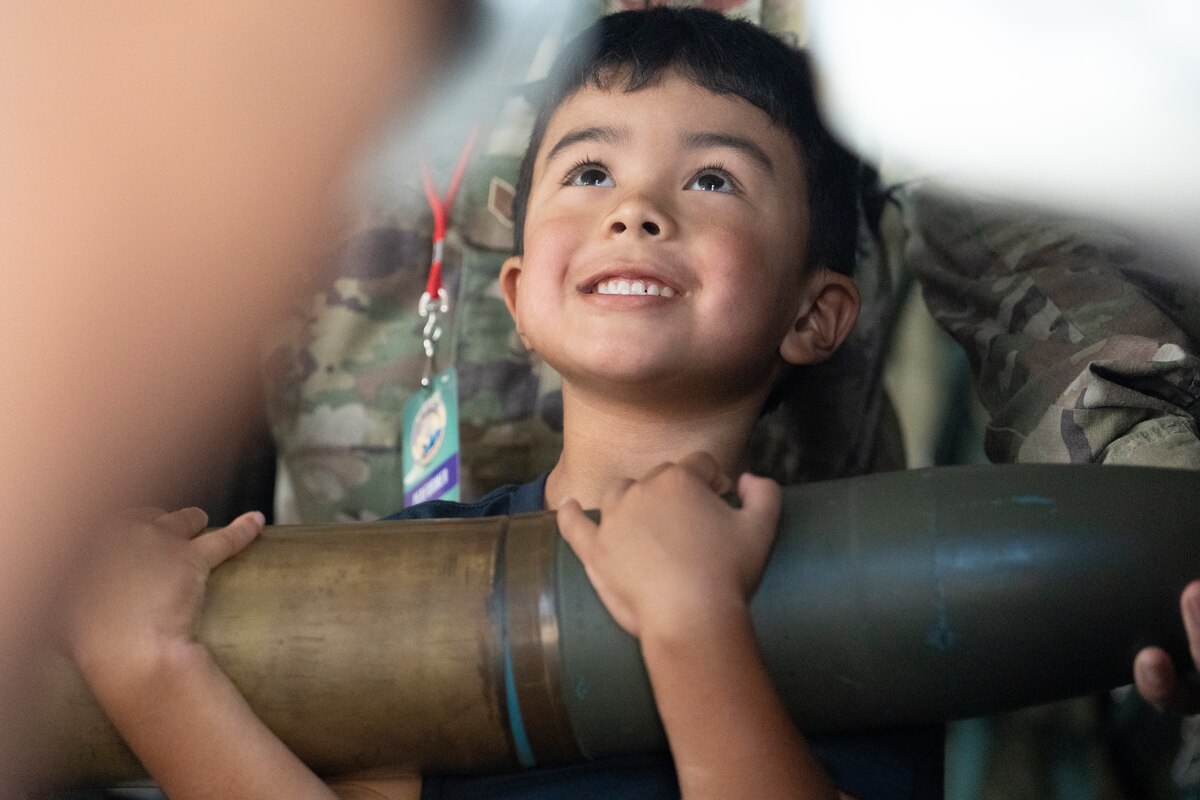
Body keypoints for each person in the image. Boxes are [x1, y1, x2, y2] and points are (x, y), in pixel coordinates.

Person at [64, 8, 946, 799]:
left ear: (815, 315)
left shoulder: (887, 591)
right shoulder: (412, 568)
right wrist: (148, 664)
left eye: (712, 180)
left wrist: (694, 626)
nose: (635, 209)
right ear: (519, 297)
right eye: (590, 172)